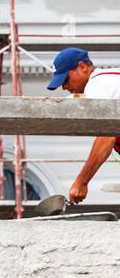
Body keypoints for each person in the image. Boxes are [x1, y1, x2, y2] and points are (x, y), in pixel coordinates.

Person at [46, 47, 120, 204]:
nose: (64, 87)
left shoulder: (97, 85)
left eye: (66, 79)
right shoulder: (107, 82)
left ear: (82, 67)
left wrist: (81, 182)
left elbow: (106, 137)